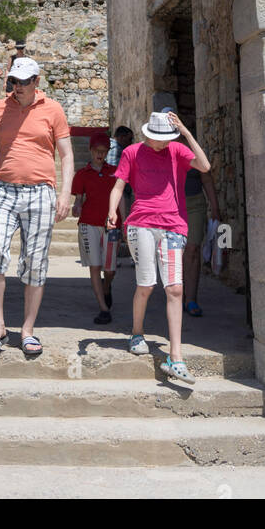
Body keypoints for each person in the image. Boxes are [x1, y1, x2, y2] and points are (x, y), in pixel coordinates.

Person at [0, 57, 74, 356]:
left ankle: (27, 330)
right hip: (4, 190)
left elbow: (67, 155)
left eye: (23, 82)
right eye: (14, 82)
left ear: (36, 82)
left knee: (35, 261)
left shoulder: (53, 110)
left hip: (41, 192)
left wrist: (65, 193)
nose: (17, 87)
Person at [106, 110, 212, 385]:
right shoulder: (132, 153)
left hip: (174, 225)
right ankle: (137, 332)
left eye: (167, 138)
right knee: (146, 285)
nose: (162, 143)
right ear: (147, 136)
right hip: (141, 224)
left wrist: (187, 133)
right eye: (158, 139)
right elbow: (118, 186)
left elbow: (205, 166)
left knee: (175, 288)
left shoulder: (177, 149)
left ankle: (176, 357)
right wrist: (112, 212)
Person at [72, 131, 121, 324]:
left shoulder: (115, 172)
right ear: (91, 151)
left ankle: (107, 286)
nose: (100, 154)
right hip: (88, 223)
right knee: (95, 266)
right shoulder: (82, 174)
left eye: (104, 151)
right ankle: (103, 308)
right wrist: (76, 207)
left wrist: (123, 220)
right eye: (97, 151)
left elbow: (121, 200)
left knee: (110, 268)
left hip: (111, 224)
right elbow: (78, 199)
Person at [183, 164, 220, 317]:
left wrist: (215, 208)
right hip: (170, 204)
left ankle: (191, 299)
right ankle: (177, 294)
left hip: (195, 205)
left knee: (192, 249)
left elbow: (206, 179)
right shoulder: (162, 144)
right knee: (175, 252)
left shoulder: (194, 148)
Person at [105, 126, 135, 264]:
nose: (130, 143)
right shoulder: (118, 150)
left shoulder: (106, 146)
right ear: (122, 137)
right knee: (122, 224)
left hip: (106, 192)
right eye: (129, 140)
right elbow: (118, 174)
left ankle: (110, 256)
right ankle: (121, 257)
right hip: (119, 193)